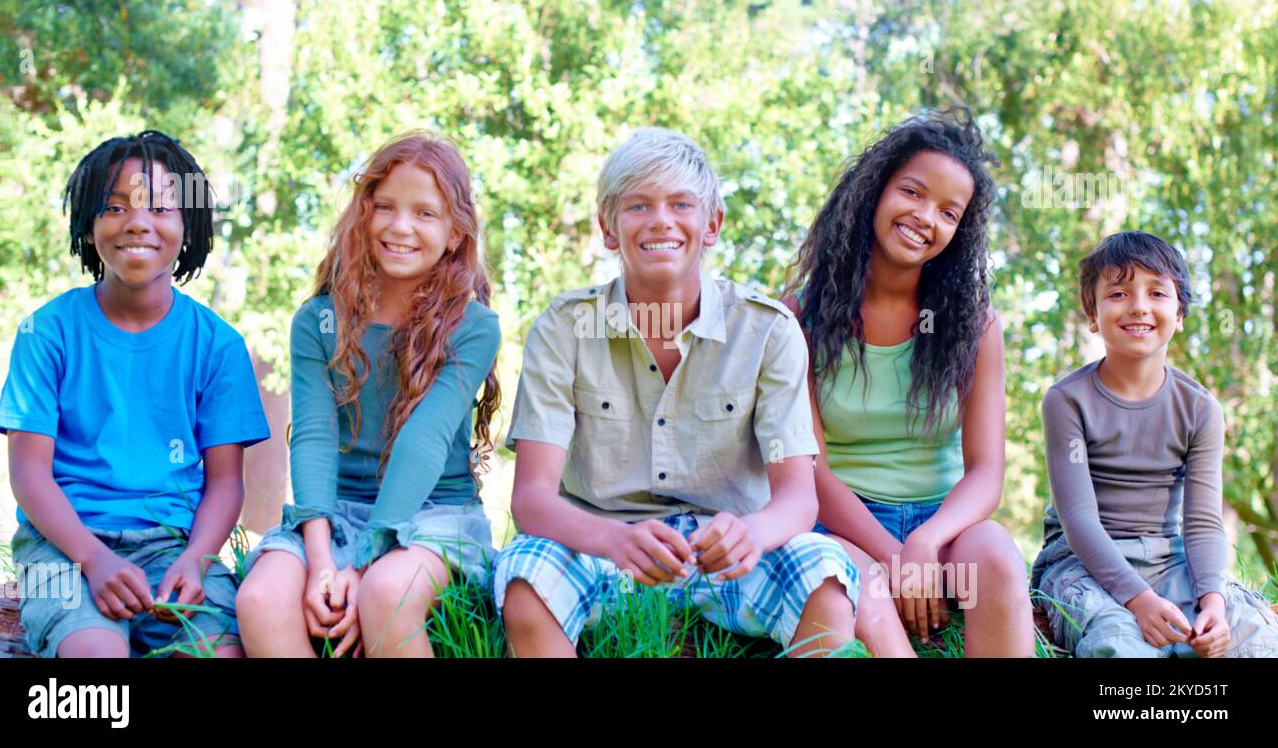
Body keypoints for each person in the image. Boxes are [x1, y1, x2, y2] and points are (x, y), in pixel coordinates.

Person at [494, 127, 859, 658]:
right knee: (526, 579)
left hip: (727, 551)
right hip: (602, 542)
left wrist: (754, 533)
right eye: (638, 205)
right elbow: (531, 498)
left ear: (711, 225)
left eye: (680, 204)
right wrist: (612, 540)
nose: (660, 220)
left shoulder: (767, 331)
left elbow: (799, 498)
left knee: (824, 575)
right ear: (608, 228)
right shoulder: (564, 327)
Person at [0, 130, 270, 657]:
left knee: (219, 652)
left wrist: (196, 560)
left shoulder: (218, 344)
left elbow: (226, 484)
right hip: (65, 547)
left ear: (188, 226)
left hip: (177, 544)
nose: (137, 222)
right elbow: (29, 472)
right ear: (88, 224)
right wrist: (93, 561)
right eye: (114, 206)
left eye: (160, 208)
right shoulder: (47, 332)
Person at [236, 132, 501, 658]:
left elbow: (422, 444)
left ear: (454, 233)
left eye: (425, 213)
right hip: (332, 513)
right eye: (385, 207)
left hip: (431, 515)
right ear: (364, 215)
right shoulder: (319, 321)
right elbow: (311, 438)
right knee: (261, 599)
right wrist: (321, 563)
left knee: (385, 592)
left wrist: (363, 564)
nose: (401, 226)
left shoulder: (472, 327)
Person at [784, 110, 1035, 657]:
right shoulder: (797, 319)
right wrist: (891, 556)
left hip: (942, 530)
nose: (926, 218)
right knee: (860, 580)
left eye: (949, 212)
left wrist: (925, 541)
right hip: (842, 529)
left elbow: (987, 472)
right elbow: (811, 472)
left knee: (995, 554)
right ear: (876, 190)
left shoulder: (975, 326)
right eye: (913, 192)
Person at [1032, 230, 1278, 657]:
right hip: (1079, 563)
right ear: (1093, 315)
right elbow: (1079, 522)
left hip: (1169, 556)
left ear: (1179, 313)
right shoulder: (1067, 401)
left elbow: (1202, 524)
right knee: (1118, 641)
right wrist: (1139, 601)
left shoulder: (1201, 409)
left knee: (1254, 635)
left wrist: (1214, 604)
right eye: (1119, 293)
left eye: (1157, 293)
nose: (1139, 306)